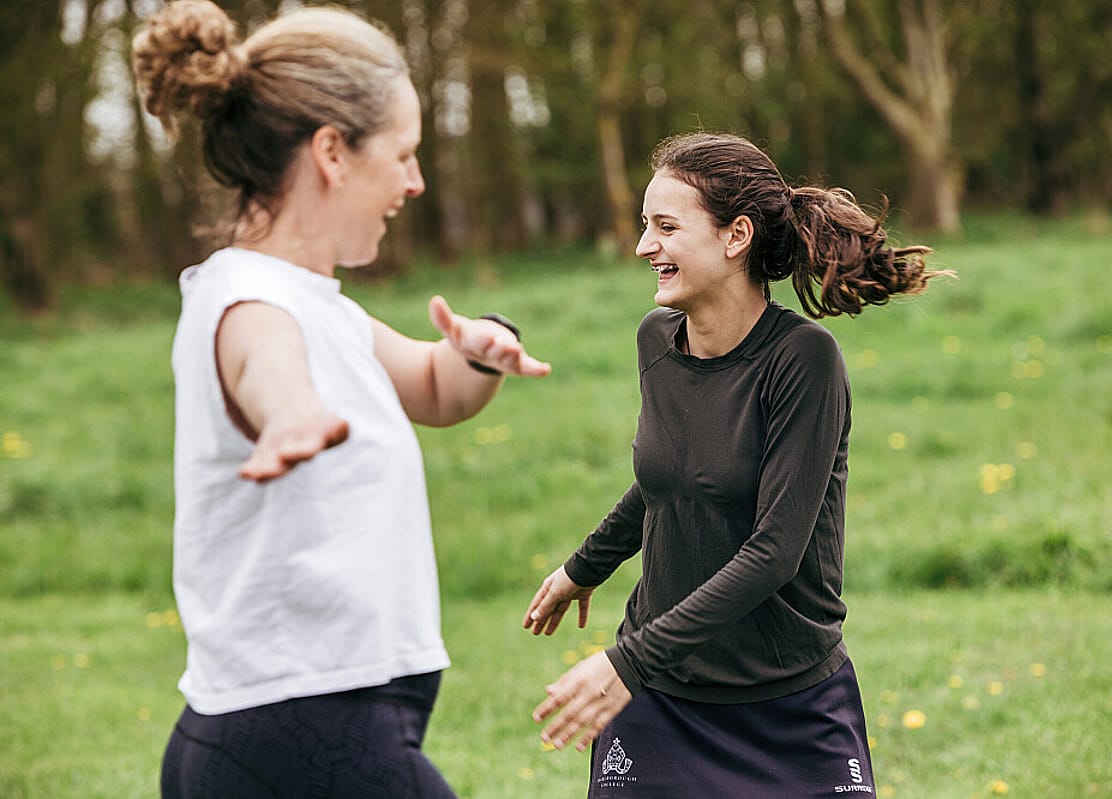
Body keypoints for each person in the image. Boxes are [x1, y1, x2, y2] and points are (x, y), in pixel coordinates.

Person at [132, 2, 550, 796]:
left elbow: (434, 388)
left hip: (297, 728)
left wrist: (480, 350)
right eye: (404, 155)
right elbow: (268, 366)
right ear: (332, 152)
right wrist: (290, 415)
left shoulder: (320, 305)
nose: (416, 182)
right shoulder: (249, 299)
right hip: (306, 726)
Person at [523, 132, 949, 797]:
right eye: (645, 226)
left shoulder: (803, 361)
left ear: (736, 235)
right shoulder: (655, 341)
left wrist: (625, 662)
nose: (643, 247)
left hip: (789, 703)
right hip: (662, 700)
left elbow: (776, 550)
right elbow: (669, 478)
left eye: (665, 226)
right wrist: (586, 566)